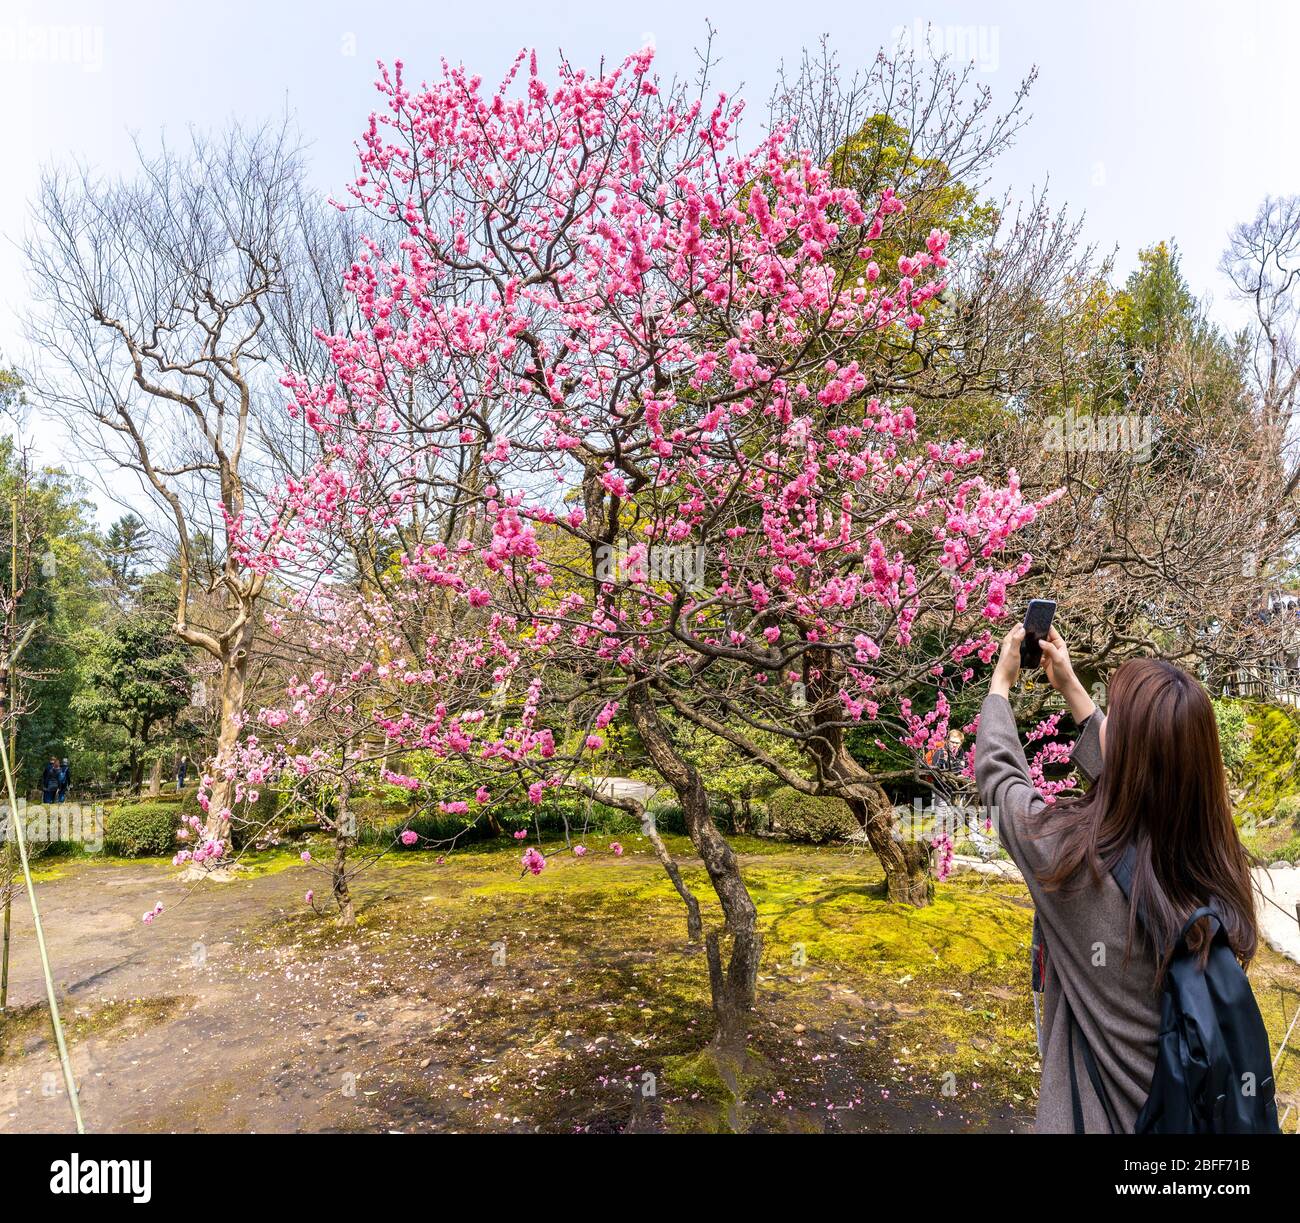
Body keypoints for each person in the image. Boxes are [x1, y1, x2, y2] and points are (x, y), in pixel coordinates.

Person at [975, 624, 1261, 1133]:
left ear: (1127, 755)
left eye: (1114, 719)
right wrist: (1070, 686)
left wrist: (1000, 686)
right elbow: (1145, 781)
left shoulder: (1077, 865)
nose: (1104, 725)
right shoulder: (1216, 862)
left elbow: (1001, 783)